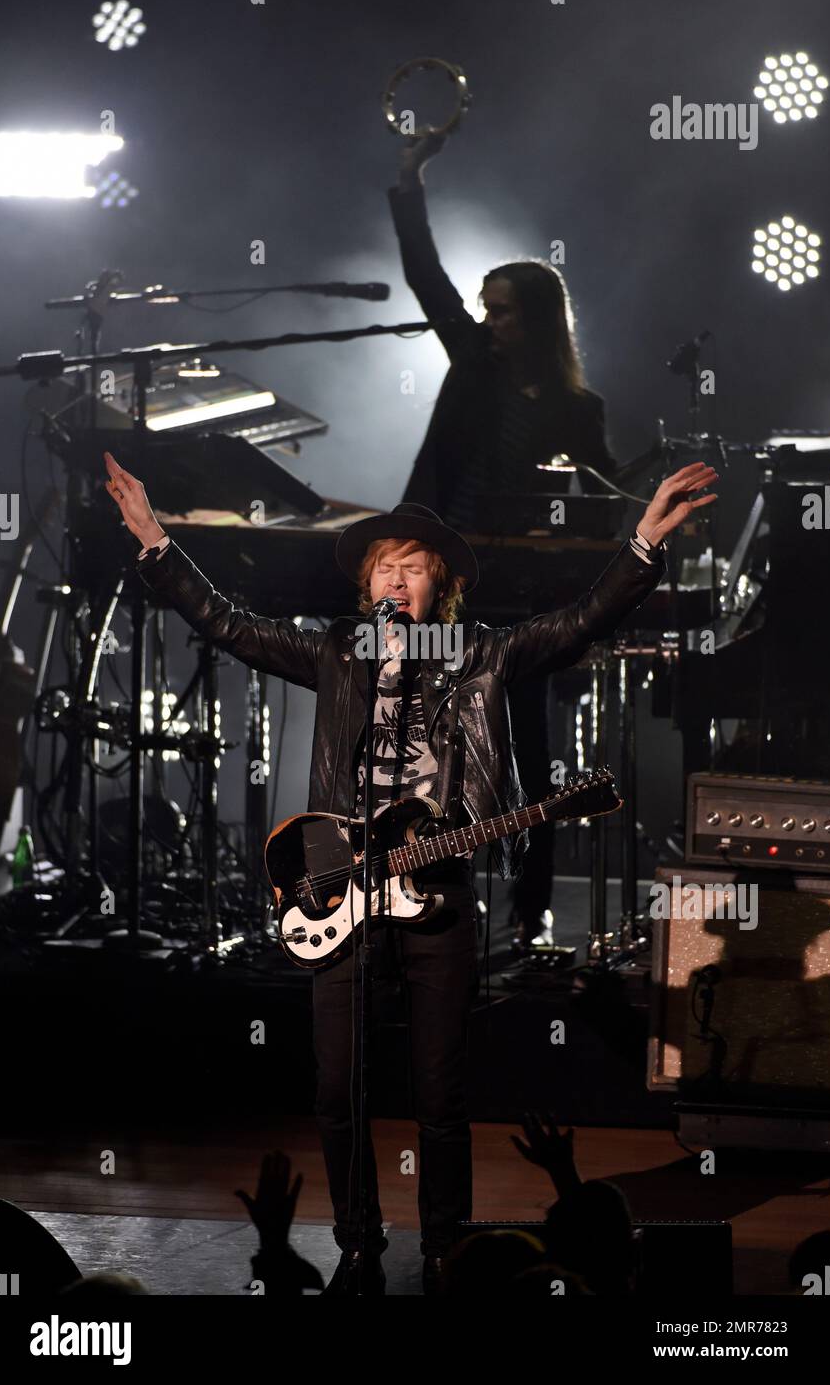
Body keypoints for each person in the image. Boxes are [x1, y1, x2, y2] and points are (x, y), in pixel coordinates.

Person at [103, 448, 717, 1294]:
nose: (397, 580)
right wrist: (153, 539)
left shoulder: (483, 655)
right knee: (335, 1091)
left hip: (439, 902)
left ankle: (444, 1246)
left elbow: (578, 622)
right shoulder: (336, 655)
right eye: (384, 568)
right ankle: (357, 1241)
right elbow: (229, 624)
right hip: (345, 901)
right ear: (367, 587)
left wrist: (643, 539)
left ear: (443, 590)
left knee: (440, 1098)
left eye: (414, 569)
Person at [390, 132, 621, 944]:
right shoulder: (473, 365)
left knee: (528, 749)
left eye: (502, 310)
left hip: (524, 595)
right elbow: (425, 278)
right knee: (427, 749)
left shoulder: (576, 411)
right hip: (445, 578)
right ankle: (430, 891)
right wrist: (407, 181)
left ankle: (530, 908)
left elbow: (607, 502)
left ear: (537, 320)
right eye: (484, 308)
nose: (488, 322)